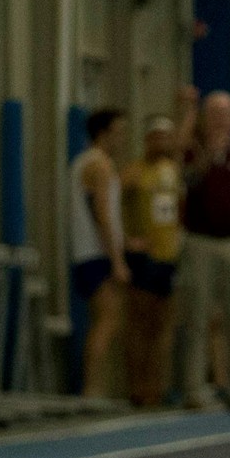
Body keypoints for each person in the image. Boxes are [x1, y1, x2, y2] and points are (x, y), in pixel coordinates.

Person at [179, 91, 230, 410]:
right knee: (196, 317)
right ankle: (195, 390)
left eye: (225, 112)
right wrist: (206, 152)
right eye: (213, 111)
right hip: (200, 241)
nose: (219, 118)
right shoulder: (193, 152)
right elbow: (184, 174)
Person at [120, 115, 184, 407]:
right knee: (139, 323)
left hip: (168, 256)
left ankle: (157, 387)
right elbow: (111, 204)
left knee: (162, 325)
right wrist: (126, 239)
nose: (163, 143)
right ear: (147, 140)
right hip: (144, 256)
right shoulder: (134, 172)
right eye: (157, 137)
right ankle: (138, 386)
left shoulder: (173, 171)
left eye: (166, 137)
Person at [71, 108, 130, 398]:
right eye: (119, 132)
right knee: (108, 321)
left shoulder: (83, 162)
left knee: (104, 321)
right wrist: (117, 259)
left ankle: (96, 388)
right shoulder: (100, 165)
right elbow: (103, 215)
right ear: (104, 133)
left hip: (89, 252)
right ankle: (92, 389)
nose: (122, 139)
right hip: (97, 254)